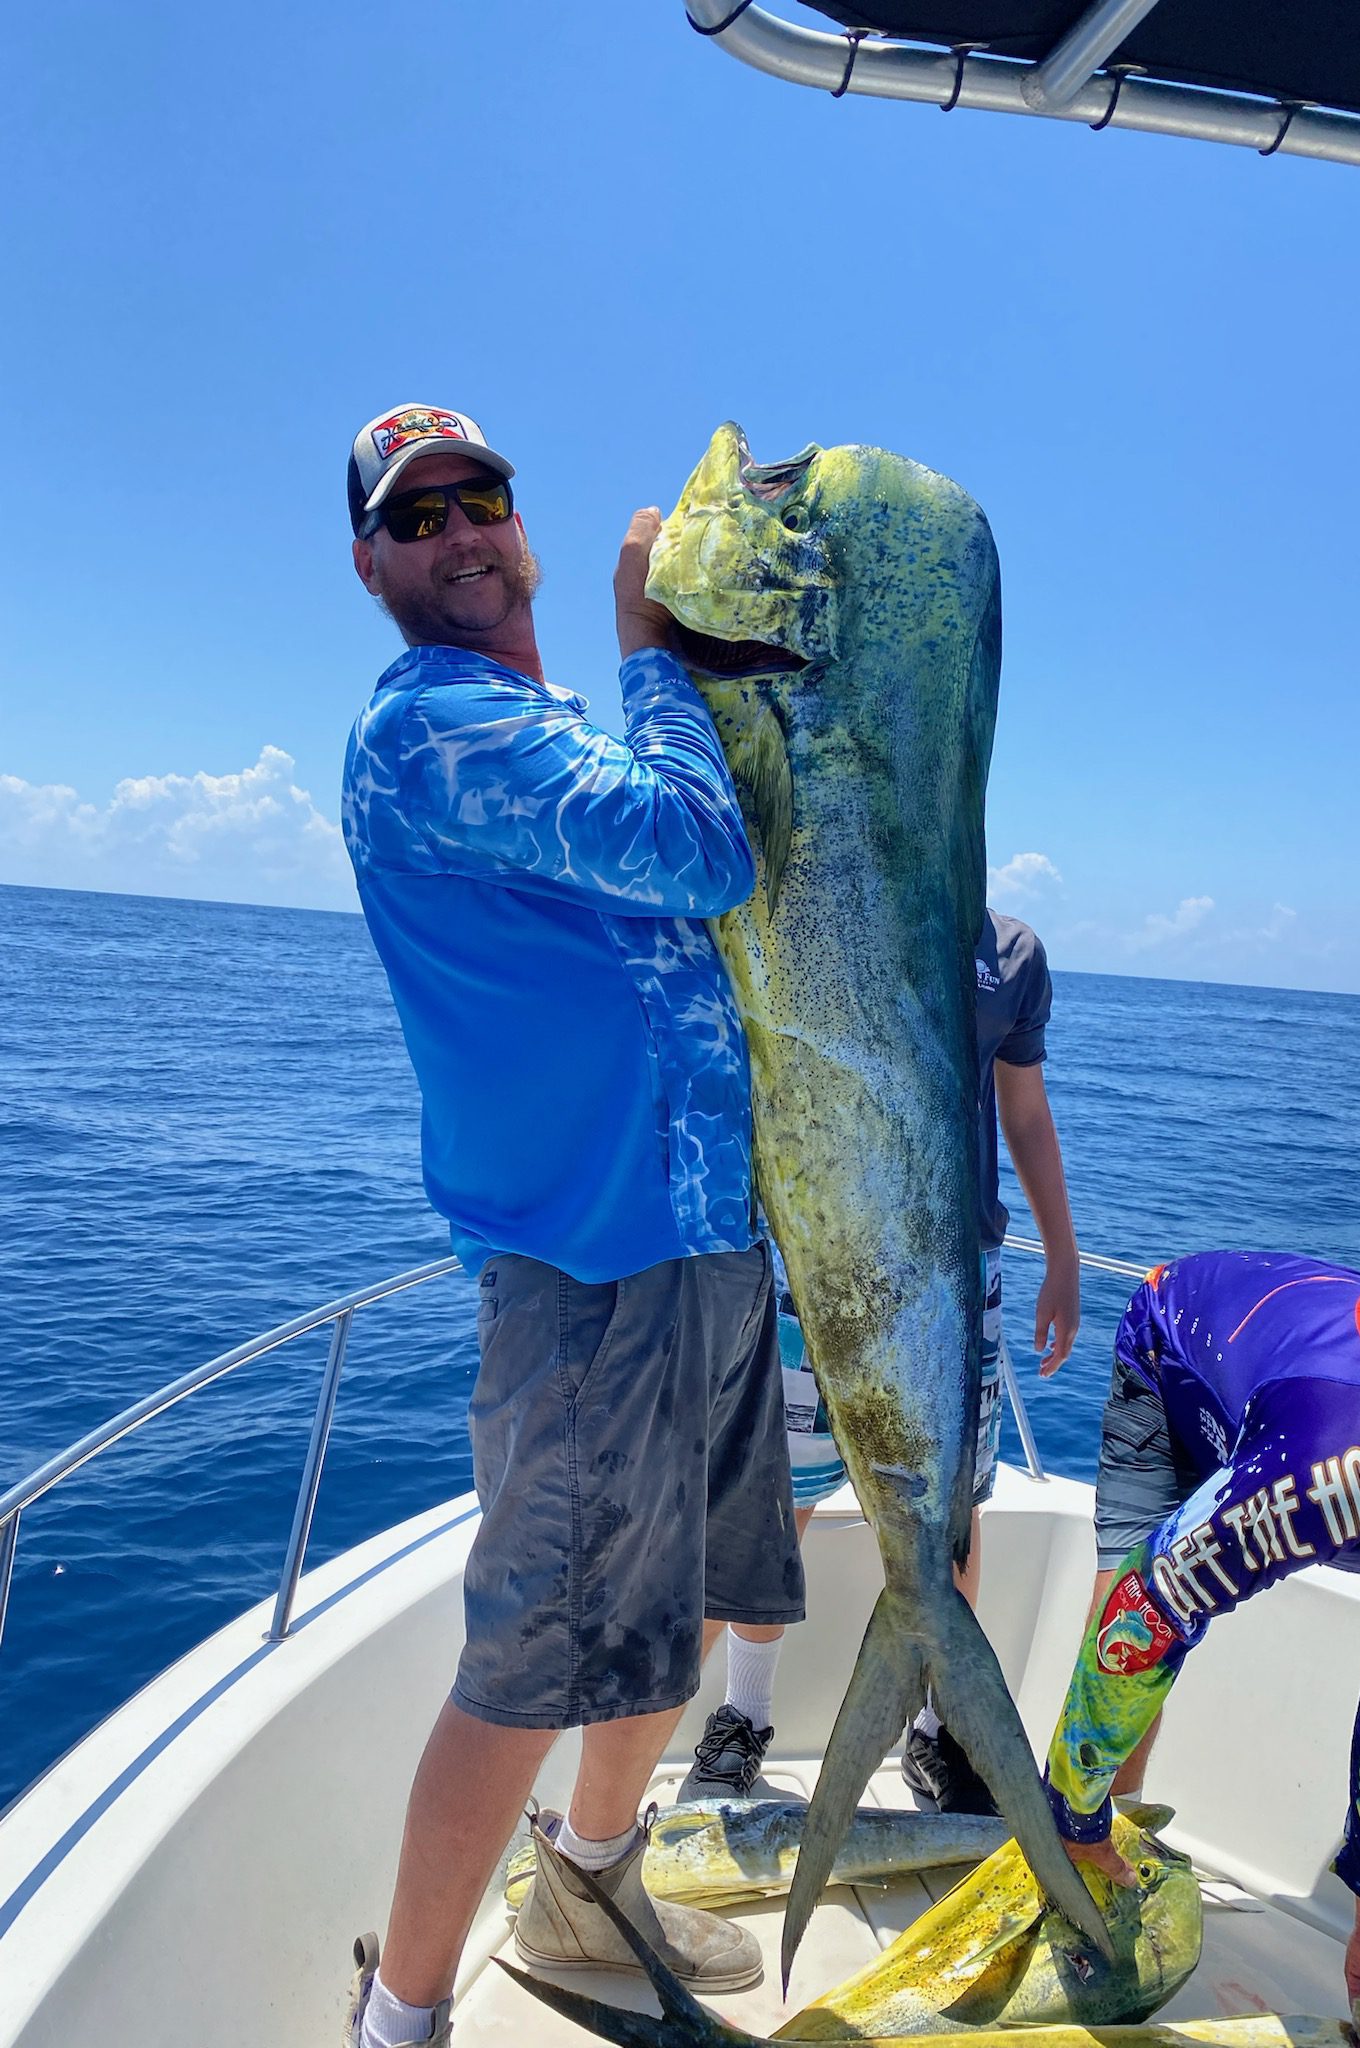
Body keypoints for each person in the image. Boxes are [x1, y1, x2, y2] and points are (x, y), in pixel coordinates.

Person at [338, 404, 804, 2048]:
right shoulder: (432, 728)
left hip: (706, 1244)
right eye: (417, 517)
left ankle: (589, 1886)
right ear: (371, 566)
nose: (460, 531)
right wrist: (650, 643)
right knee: (532, 1662)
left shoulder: (545, 732)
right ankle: (400, 2021)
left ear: (514, 521)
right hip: (594, 1270)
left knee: (687, 1610)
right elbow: (697, 847)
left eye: (479, 498)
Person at [1044, 1249, 1360, 2040]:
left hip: (1313, 1362)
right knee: (1133, 1599)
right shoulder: (1343, 1473)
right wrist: (1071, 1813)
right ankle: (1097, 1852)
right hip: (1179, 1351)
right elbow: (1149, 1608)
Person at [678, 909, 1080, 1813]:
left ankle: (938, 1729)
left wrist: (1063, 1254)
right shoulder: (814, 920)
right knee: (774, 1499)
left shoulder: (1013, 955)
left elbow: (1024, 1112)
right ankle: (744, 1716)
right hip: (816, 1266)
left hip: (955, 1280)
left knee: (951, 1515)